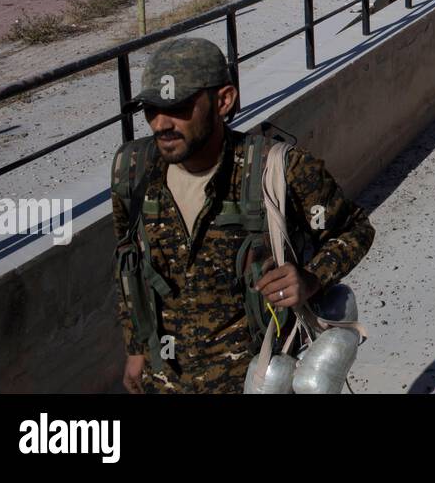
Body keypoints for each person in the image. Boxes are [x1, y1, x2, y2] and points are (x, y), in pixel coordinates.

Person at [111, 37, 374, 393]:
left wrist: (311, 277)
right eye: (151, 110)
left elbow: (355, 229)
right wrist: (137, 347)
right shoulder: (133, 171)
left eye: (178, 107)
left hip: (255, 379)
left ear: (223, 100)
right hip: (165, 381)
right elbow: (130, 263)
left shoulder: (278, 169)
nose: (160, 123)